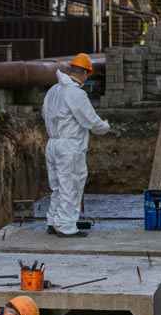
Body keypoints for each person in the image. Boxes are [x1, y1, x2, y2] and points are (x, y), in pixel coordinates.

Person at [43, 53, 111, 238]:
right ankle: (66, 227)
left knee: (58, 187)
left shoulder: (53, 90)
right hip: (69, 147)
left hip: (53, 143)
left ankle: (54, 221)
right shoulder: (76, 93)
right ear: (85, 73)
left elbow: (45, 115)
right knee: (70, 186)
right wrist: (105, 126)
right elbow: (91, 121)